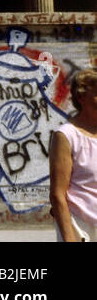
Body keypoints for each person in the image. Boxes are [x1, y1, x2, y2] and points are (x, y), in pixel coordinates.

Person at [50, 67, 97, 242]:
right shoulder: (67, 135)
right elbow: (57, 194)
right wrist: (69, 237)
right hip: (80, 227)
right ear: (81, 96)